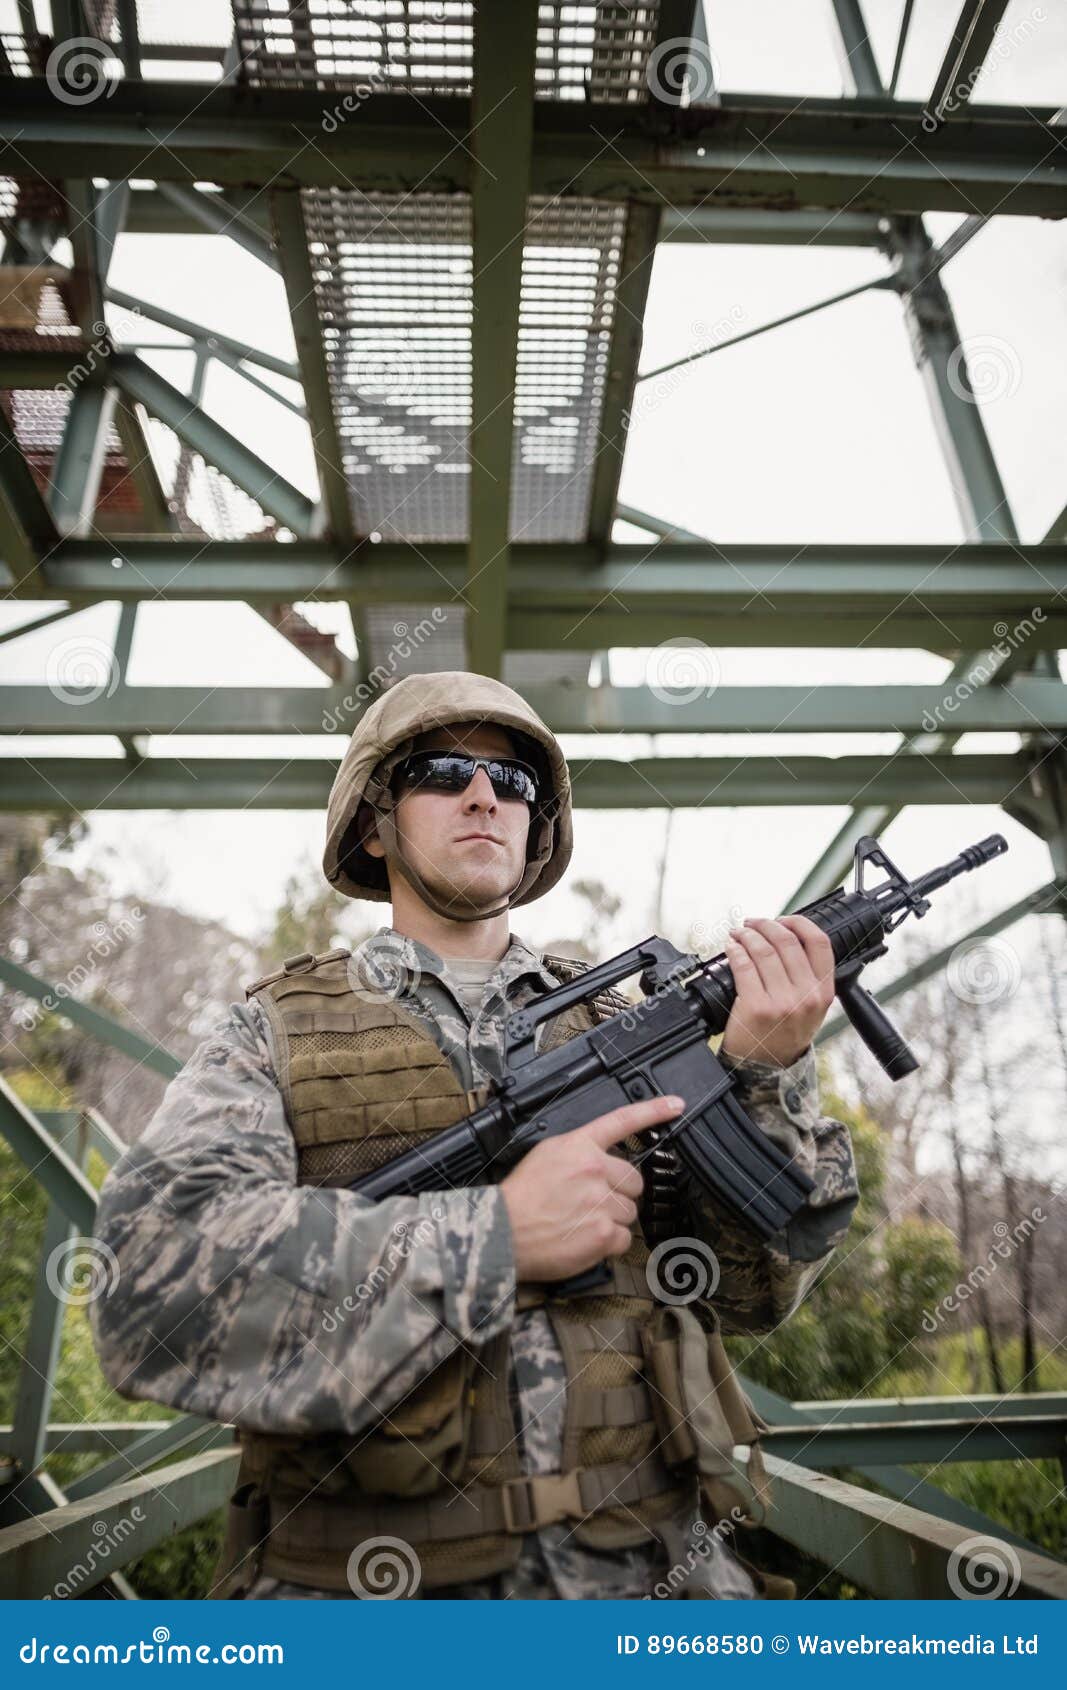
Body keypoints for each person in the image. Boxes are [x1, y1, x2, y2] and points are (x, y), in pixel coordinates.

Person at [91, 672, 859, 1601]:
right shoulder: (274, 1033)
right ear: (374, 823)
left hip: (655, 1585)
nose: (485, 794)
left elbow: (755, 1293)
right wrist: (489, 1237)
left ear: (537, 826)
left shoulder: (633, 1019)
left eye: (515, 781)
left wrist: (758, 1076)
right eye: (439, 770)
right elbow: (147, 1297)